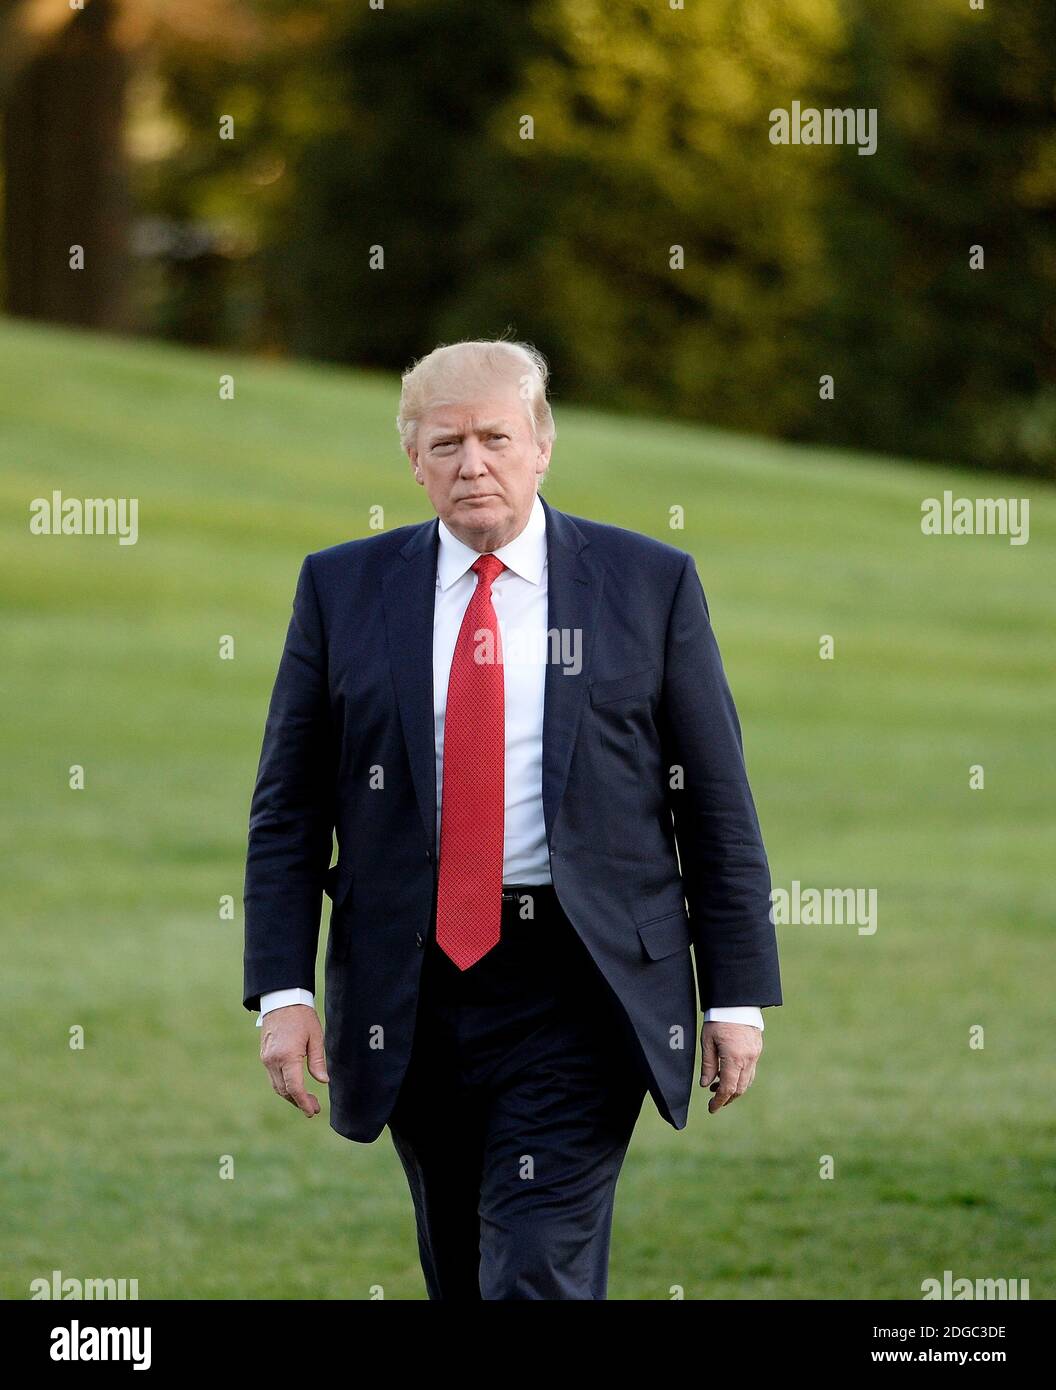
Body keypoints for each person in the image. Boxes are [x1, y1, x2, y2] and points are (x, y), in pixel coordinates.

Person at [243, 339, 782, 1300]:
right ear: (412, 459)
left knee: (535, 1269)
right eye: (445, 443)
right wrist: (283, 993)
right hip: (413, 988)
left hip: (584, 983)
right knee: (461, 1268)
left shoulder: (647, 584)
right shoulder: (343, 588)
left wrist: (736, 997)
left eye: (496, 437)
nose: (472, 463)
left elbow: (716, 805)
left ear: (542, 446)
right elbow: (289, 808)